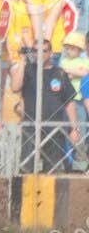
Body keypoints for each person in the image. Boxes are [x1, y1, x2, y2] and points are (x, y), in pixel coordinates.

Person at [13, 37, 79, 171]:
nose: (39, 54)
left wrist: (74, 128)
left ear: (50, 53)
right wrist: (22, 61)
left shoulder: (59, 73)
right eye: (36, 51)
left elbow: (69, 103)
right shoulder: (28, 70)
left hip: (54, 129)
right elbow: (15, 87)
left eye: (44, 51)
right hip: (31, 127)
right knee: (26, 168)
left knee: (53, 170)